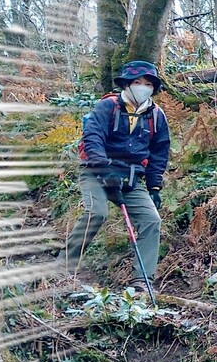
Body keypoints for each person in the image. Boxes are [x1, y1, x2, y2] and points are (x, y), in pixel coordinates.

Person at [62, 59, 171, 290]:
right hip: (96, 172)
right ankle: (62, 268)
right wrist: (105, 171)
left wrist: (154, 187)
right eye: (137, 82)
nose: (143, 87)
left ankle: (142, 280)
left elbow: (159, 153)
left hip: (131, 179)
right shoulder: (108, 106)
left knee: (151, 220)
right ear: (126, 84)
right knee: (96, 213)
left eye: (148, 84)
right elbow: (92, 138)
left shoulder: (156, 115)